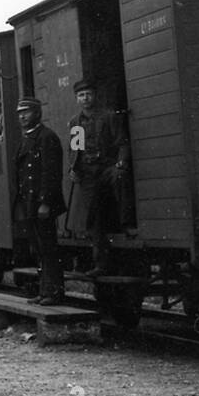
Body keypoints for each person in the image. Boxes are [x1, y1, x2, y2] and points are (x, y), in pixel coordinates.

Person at [67, 78, 131, 276]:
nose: (85, 98)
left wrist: (120, 163)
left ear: (95, 96)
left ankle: (126, 223)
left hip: (107, 168)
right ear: (77, 99)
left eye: (88, 94)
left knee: (119, 177)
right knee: (93, 216)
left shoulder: (109, 117)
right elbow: (76, 149)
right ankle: (100, 263)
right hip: (88, 173)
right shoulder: (76, 122)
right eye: (81, 95)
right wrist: (73, 168)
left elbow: (122, 143)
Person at [12, 97, 67, 305]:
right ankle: (45, 291)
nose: (22, 116)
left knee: (48, 247)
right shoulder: (27, 138)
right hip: (29, 202)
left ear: (37, 113)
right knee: (39, 248)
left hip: (41, 203)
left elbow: (50, 173)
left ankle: (54, 292)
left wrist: (45, 202)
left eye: (26, 112)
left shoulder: (46, 137)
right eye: (20, 113)